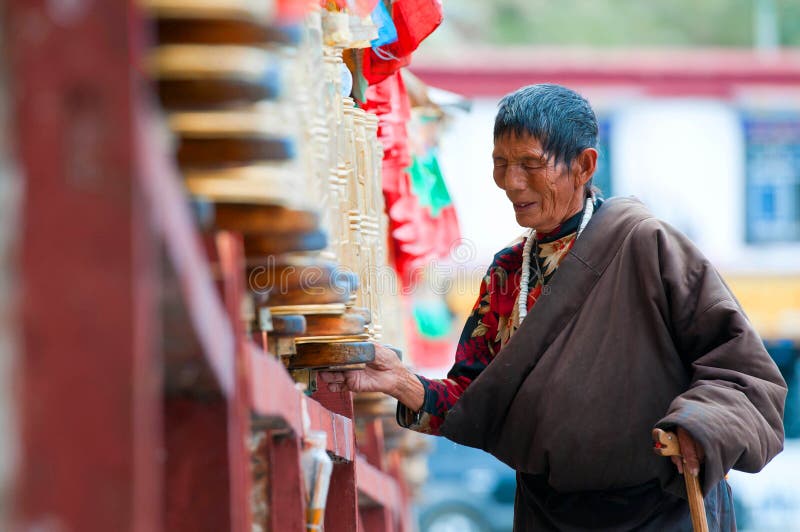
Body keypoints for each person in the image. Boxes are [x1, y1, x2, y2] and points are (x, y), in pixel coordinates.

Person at [320, 84, 787, 531]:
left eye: (530, 164)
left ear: (584, 165)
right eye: (500, 164)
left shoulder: (647, 245)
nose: (511, 182)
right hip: (548, 515)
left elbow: (745, 374)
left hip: (660, 512)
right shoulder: (507, 273)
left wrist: (698, 423)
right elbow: (474, 402)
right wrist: (398, 380)